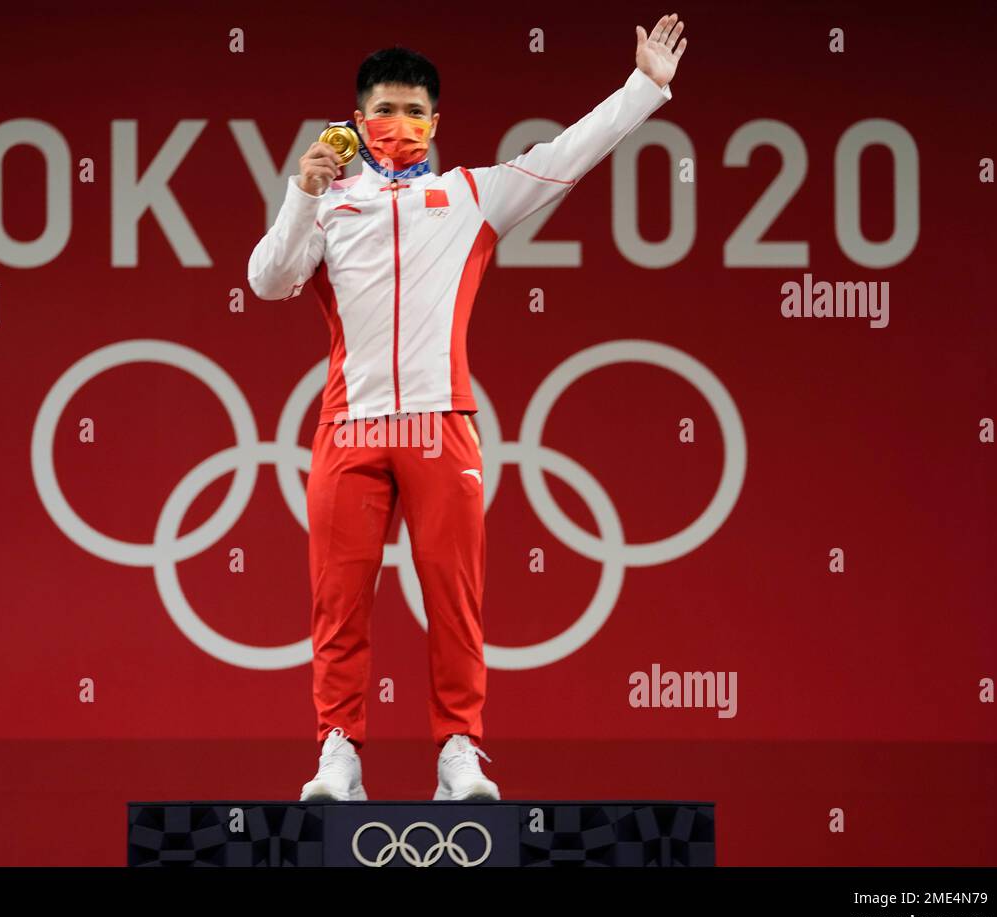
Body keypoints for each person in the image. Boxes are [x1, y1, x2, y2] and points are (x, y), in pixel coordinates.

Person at [247, 16, 687, 801]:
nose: (401, 124)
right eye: (386, 109)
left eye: (417, 111)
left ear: (436, 123)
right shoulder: (326, 203)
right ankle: (338, 752)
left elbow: (568, 154)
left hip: (441, 427)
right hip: (349, 427)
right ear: (356, 120)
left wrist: (644, 86)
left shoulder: (473, 195)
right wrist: (301, 190)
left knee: (454, 598)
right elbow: (270, 281)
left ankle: (458, 750)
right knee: (337, 603)